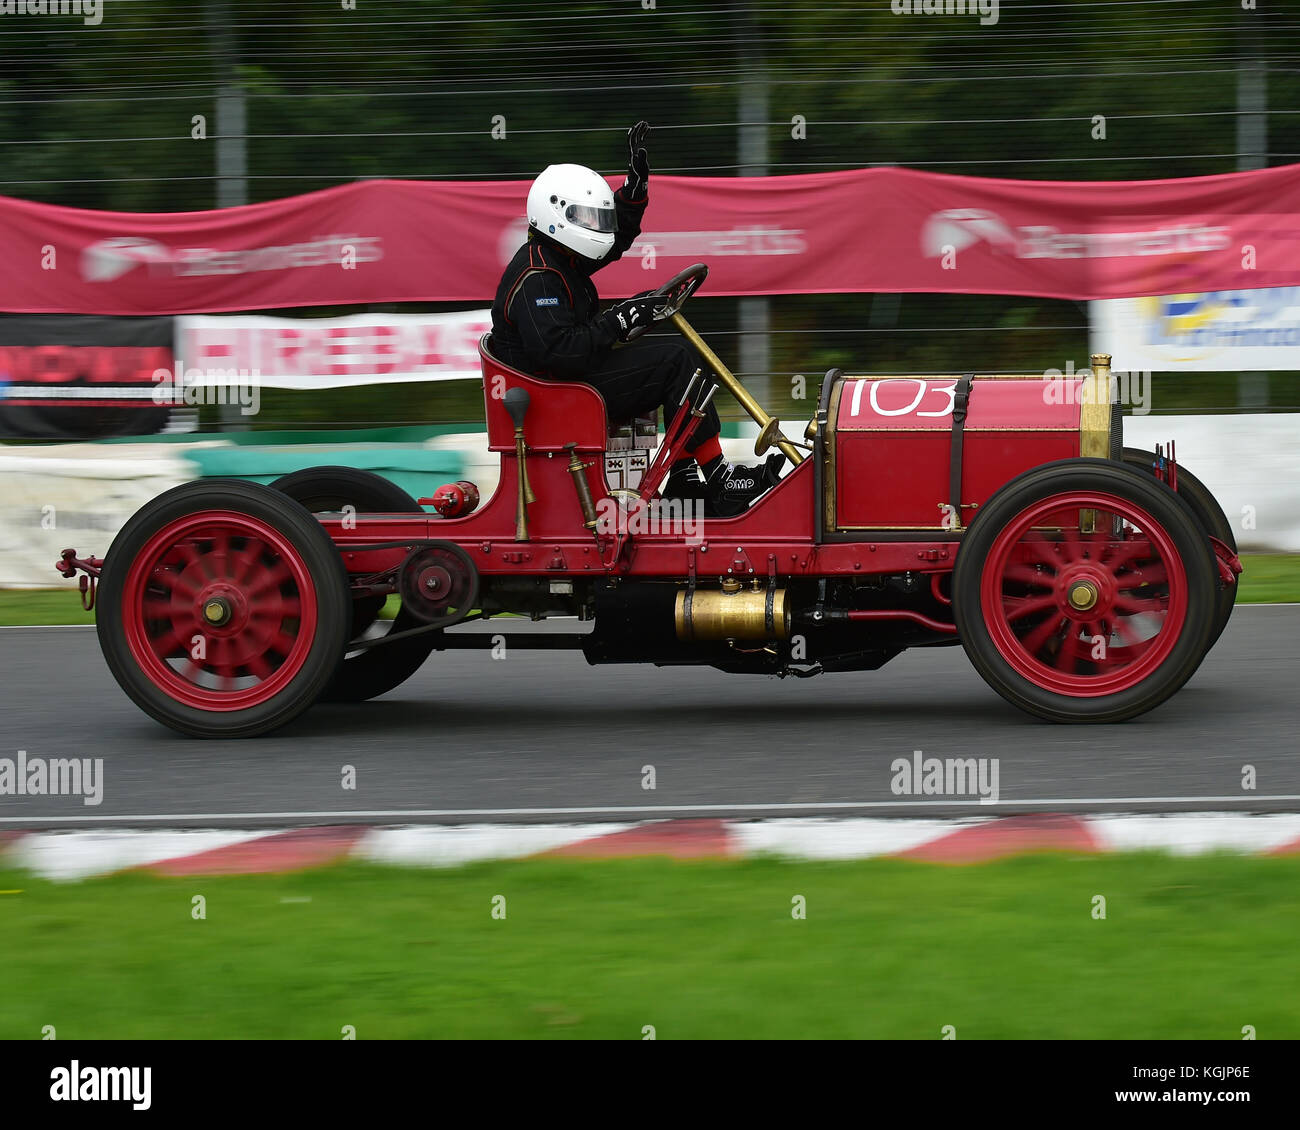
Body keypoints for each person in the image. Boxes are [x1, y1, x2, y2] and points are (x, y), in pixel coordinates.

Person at [490, 121, 783, 518]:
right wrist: (619, 319)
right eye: (587, 217)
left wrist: (633, 192)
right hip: (554, 396)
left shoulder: (558, 259)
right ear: (556, 215)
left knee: (672, 359)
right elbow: (558, 352)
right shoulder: (536, 277)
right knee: (674, 360)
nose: (596, 227)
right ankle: (715, 476)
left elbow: (614, 240)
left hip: (562, 388)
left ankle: (685, 479)